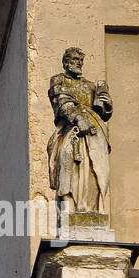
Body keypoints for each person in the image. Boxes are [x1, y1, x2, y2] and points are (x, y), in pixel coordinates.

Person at [47, 47, 113, 217]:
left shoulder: (90, 86)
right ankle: (70, 207)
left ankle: (92, 208)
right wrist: (77, 118)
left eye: (80, 61)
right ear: (66, 62)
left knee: (94, 167)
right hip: (71, 129)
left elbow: (102, 113)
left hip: (94, 130)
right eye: (74, 60)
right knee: (67, 160)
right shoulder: (59, 81)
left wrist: (106, 105)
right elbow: (61, 101)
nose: (78, 64)